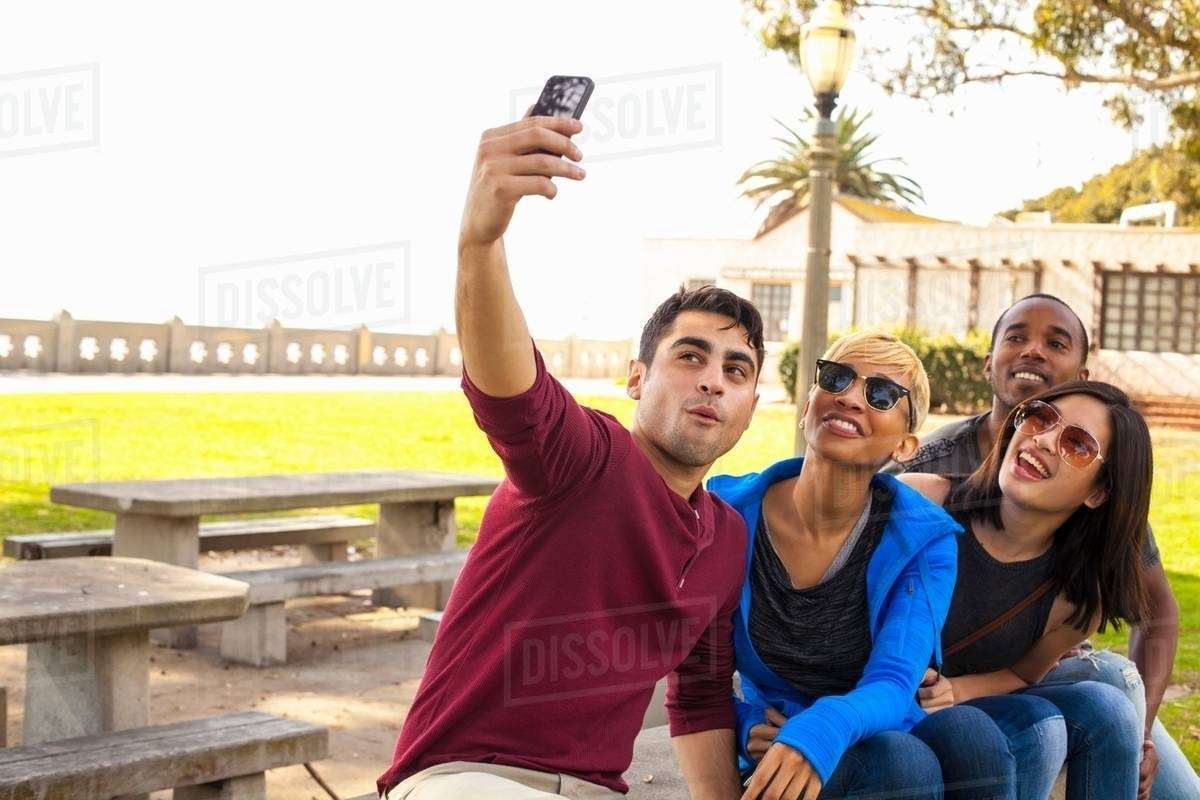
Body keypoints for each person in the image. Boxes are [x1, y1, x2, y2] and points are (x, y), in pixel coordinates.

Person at [376, 114, 764, 799]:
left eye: (737, 371)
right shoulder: (585, 459)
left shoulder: (726, 538)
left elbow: (700, 698)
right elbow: (511, 389)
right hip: (466, 779)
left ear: (752, 403)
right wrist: (481, 240)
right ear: (637, 378)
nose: (713, 380)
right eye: (691, 356)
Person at [712, 332, 1051, 800]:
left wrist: (822, 727)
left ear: (906, 446)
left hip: (871, 726)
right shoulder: (726, 512)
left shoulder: (924, 539)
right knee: (901, 762)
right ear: (810, 400)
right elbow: (686, 670)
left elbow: (894, 682)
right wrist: (744, 721)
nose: (850, 397)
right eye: (837, 377)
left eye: (882, 394)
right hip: (780, 746)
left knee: (969, 736)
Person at [890, 293, 1195, 800]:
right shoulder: (930, 474)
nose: (1033, 351)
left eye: (1056, 342)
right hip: (901, 674)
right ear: (988, 363)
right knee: (1048, 718)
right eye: (1016, 337)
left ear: (1082, 370)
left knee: (1113, 689)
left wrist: (1144, 731)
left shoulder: (1093, 538)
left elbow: (1155, 607)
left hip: (1024, 659)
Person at [902, 381, 1153, 798]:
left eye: (1077, 443)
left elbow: (1022, 673)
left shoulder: (1074, 599)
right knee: (1010, 729)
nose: (1046, 440)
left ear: (1098, 492)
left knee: (1107, 708)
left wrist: (955, 690)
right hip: (872, 698)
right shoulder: (921, 501)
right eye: (1042, 417)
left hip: (952, 704)